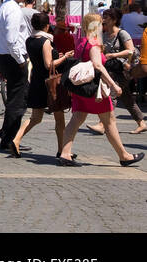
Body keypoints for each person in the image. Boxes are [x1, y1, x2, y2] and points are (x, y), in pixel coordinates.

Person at [58, 13, 145, 167]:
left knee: (76, 119)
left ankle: (65, 153)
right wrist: (113, 84)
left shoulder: (81, 41)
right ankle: (124, 156)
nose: (102, 26)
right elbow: (98, 66)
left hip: (81, 89)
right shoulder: (94, 44)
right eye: (100, 24)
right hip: (94, 89)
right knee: (109, 121)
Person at [11, 11, 72, 157]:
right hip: (50, 83)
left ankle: (16, 139)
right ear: (46, 26)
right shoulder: (45, 41)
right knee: (59, 119)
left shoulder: (29, 40)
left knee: (35, 118)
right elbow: (48, 64)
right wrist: (65, 57)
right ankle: (61, 150)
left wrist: (57, 55)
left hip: (36, 81)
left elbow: (41, 59)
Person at [0, 0, 32, 153]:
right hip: (13, 58)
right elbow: (11, 40)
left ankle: (6, 133)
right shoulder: (14, 10)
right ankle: (9, 139)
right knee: (18, 100)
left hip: (2, 57)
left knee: (14, 98)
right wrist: (21, 61)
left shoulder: (0, 9)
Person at [99, 9, 146, 133]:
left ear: (114, 20)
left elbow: (130, 51)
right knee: (126, 98)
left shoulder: (122, 33)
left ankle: (103, 124)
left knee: (112, 95)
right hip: (112, 70)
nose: (104, 19)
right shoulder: (104, 34)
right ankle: (141, 122)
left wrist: (114, 55)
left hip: (123, 70)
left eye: (107, 17)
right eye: (103, 17)